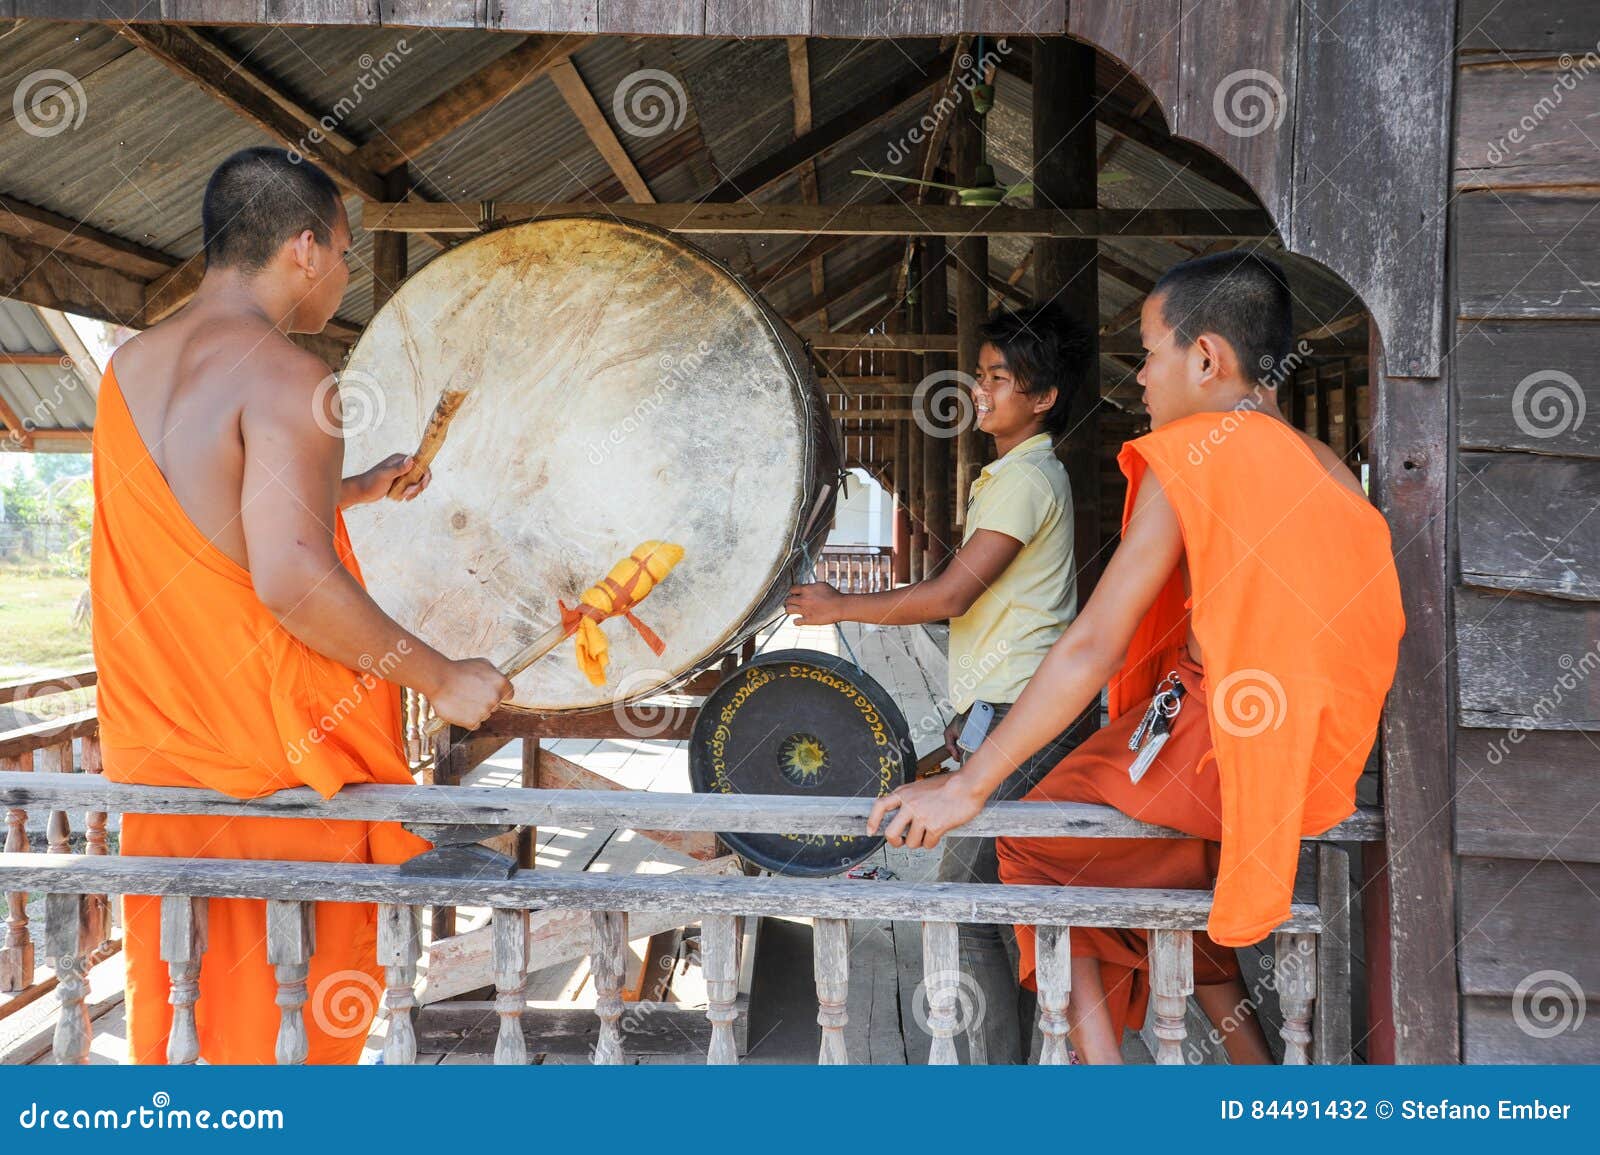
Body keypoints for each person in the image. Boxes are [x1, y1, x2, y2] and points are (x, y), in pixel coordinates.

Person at [866, 252, 1405, 1064]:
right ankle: (1265, 1086)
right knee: (1171, 867)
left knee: (1034, 842)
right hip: (1310, 763)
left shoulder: (1195, 451)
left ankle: (1104, 1088)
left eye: (1150, 353)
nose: (1142, 380)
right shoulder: (1330, 470)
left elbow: (1094, 642)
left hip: (1213, 739)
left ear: (1207, 358)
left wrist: (968, 784)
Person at [91, 147, 512, 1064]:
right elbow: (288, 581)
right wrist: (440, 677)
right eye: (348, 254)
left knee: (186, 1011)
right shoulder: (292, 377)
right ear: (306, 247)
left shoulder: (126, 370)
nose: (347, 275)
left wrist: (353, 488)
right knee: (288, 1027)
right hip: (269, 767)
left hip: (165, 759)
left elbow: (217, 515)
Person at [787, 302, 1096, 1063]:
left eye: (998, 378)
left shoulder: (1025, 479)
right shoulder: (1017, 473)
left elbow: (954, 594)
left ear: (1044, 396)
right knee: (995, 897)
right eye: (980, 375)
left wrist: (839, 605)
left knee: (963, 903)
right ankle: (1027, 1061)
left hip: (1026, 716)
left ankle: (1000, 1080)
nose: (980, 391)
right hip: (1005, 712)